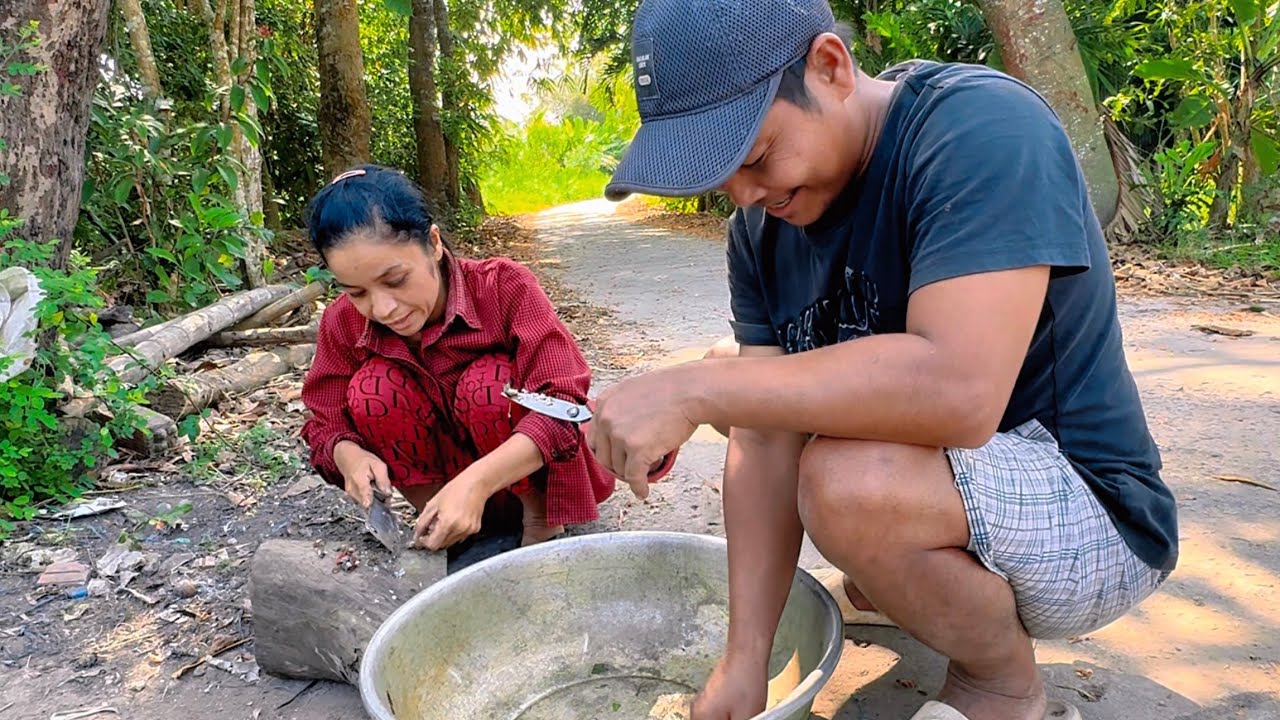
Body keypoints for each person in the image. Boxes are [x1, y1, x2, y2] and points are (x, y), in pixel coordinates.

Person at [585, 2, 1179, 719]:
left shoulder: (982, 130)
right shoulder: (759, 229)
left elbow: (958, 392)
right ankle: (896, 573)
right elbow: (764, 433)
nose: (743, 194)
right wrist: (745, 666)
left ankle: (999, 686)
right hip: (968, 492)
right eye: (721, 177)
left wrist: (698, 390)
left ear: (830, 67)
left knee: (843, 480)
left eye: (756, 156)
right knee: (748, 383)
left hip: (1095, 520)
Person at [299, 164, 633, 551]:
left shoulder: (504, 288)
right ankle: (443, 527)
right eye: (357, 292)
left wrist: (476, 482)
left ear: (434, 243)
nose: (384, 308)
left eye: (395, 280)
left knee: (488, 384)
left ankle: (540, 524)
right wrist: (348, 454)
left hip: (534, 481)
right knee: (374, 389)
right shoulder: (343, 323)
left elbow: (563, 407)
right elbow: (324, 422)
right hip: (445, 493)